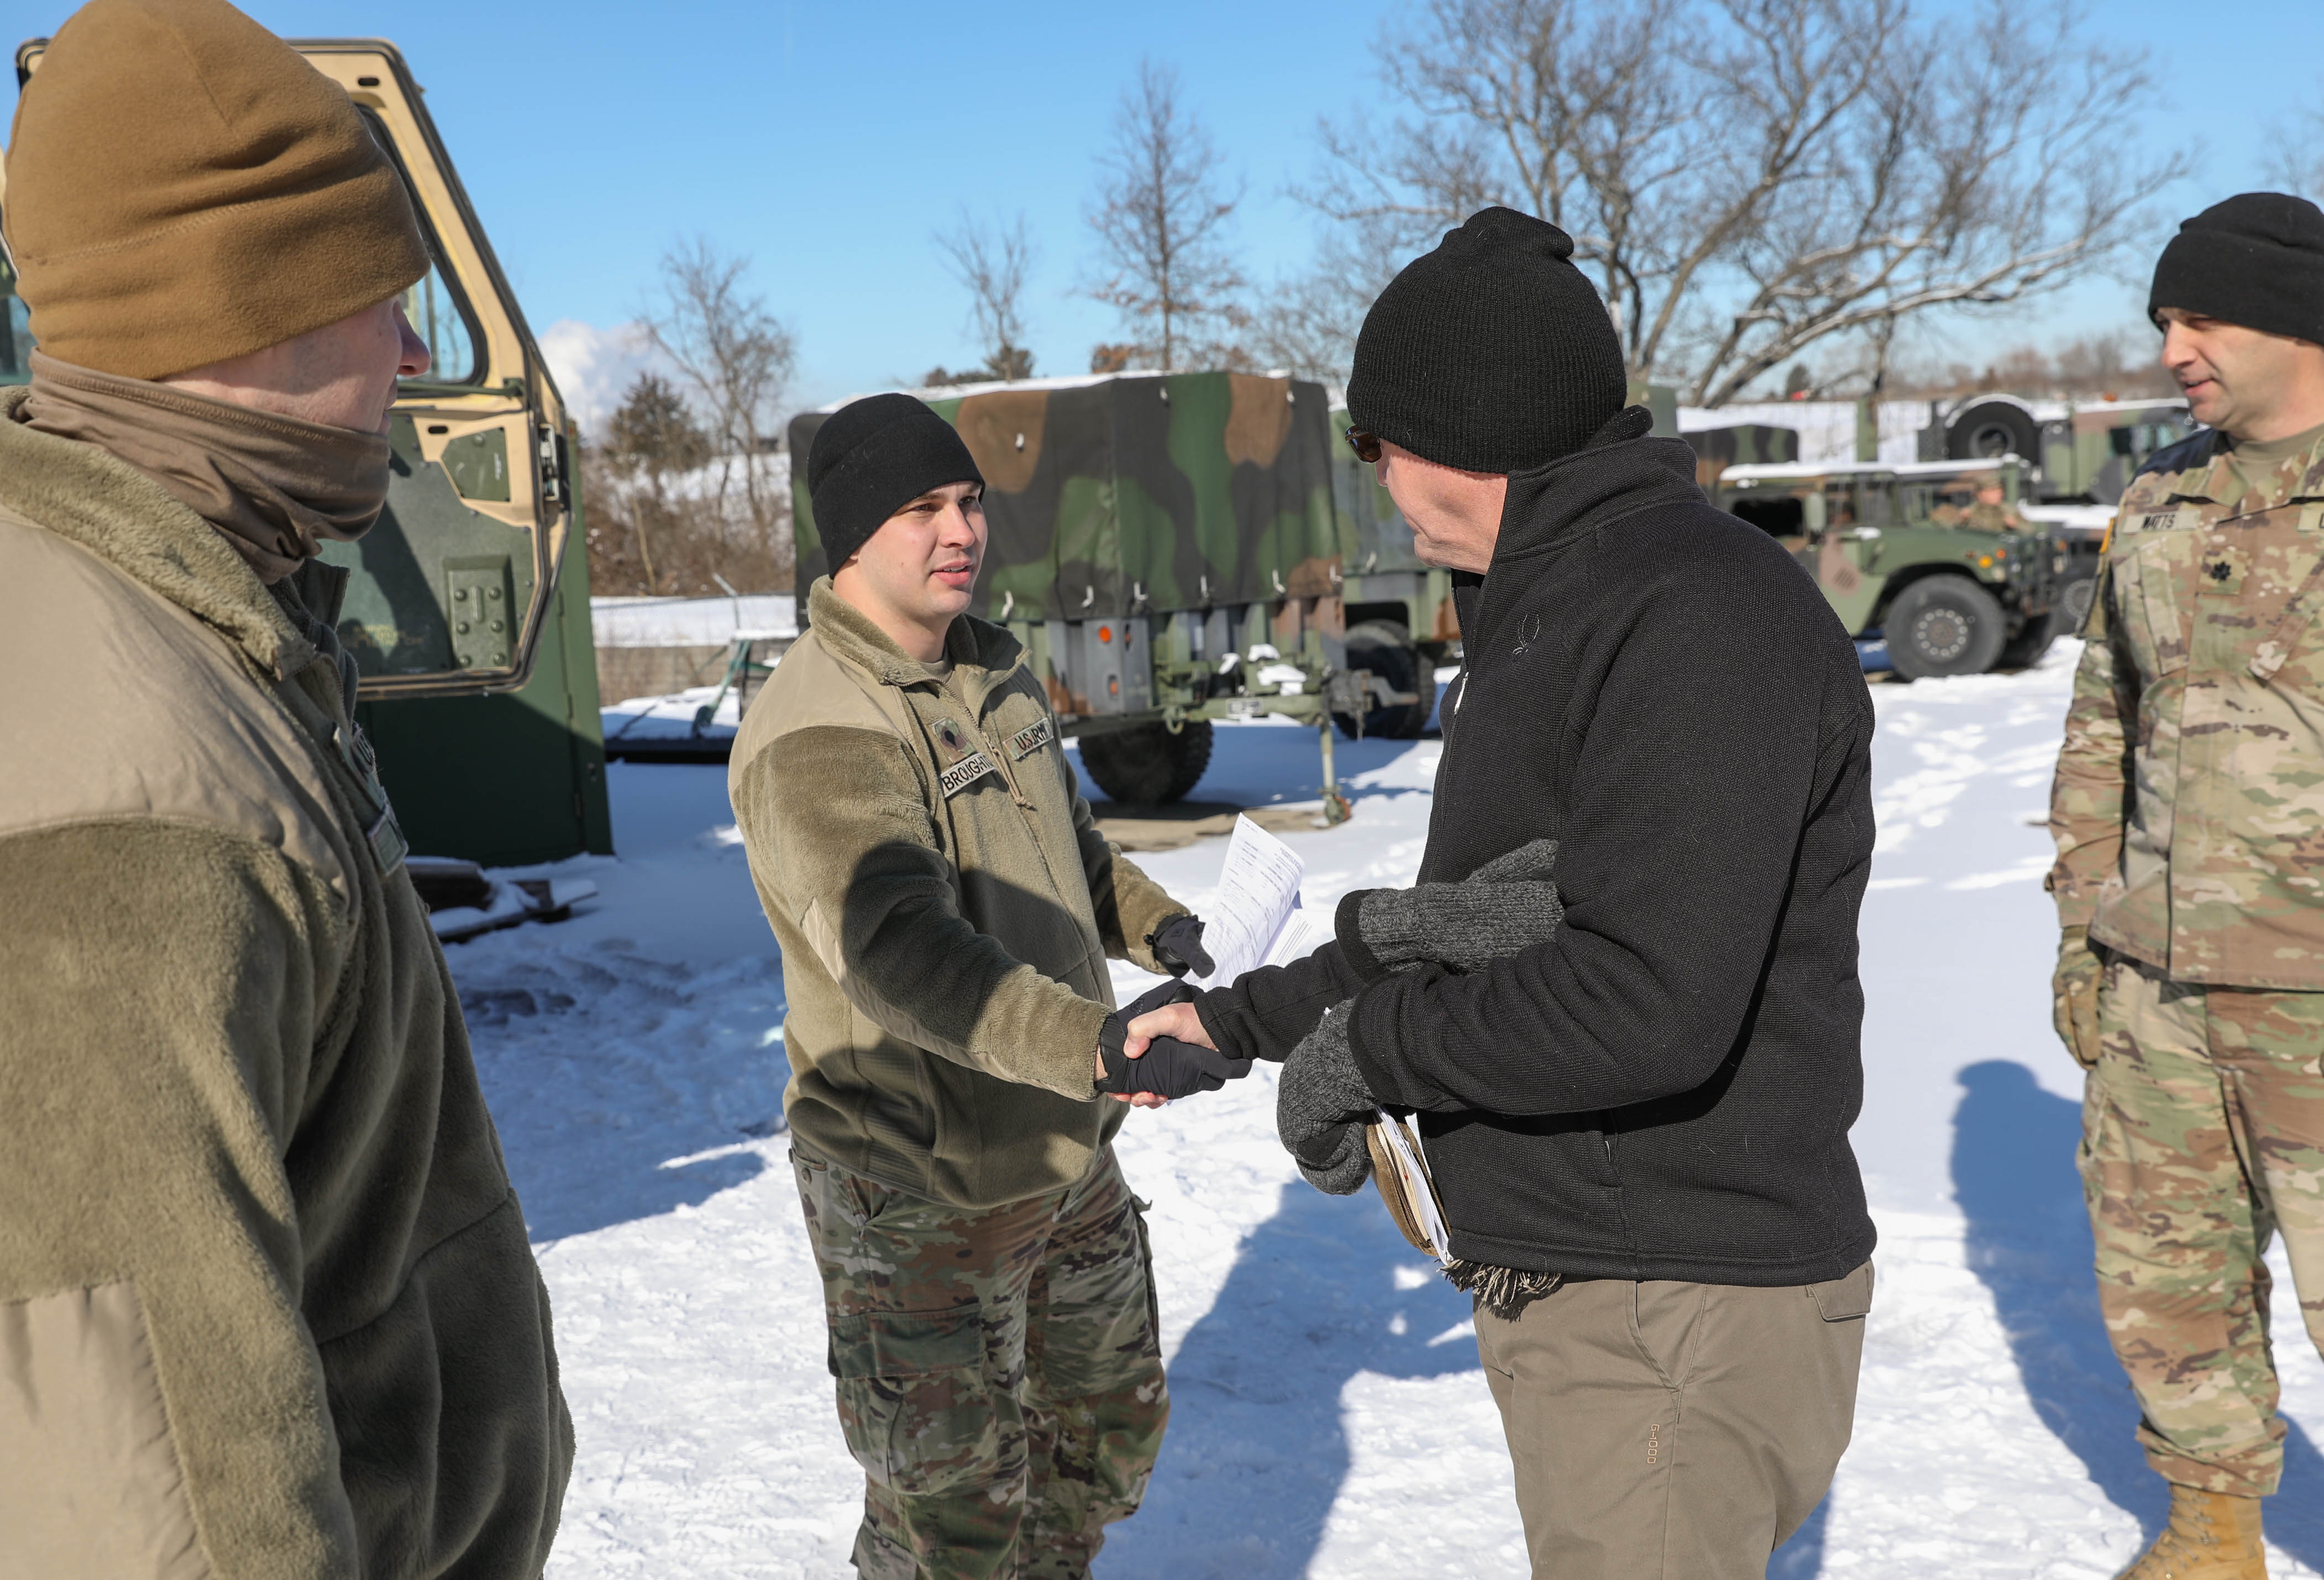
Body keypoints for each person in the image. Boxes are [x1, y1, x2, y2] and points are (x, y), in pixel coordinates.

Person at [1122, 206, 1879, 1579]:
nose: (1374, 477)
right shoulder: (1562, 603)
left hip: (1672, 1296)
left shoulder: (1693, 614)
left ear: (1458, 433)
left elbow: (1643, 999)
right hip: (1610, 1284)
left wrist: (1369, 1050)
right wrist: (1240, 1021)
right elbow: (1477, 919)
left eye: (1376, 442)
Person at [0, 2, 571, 1575]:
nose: (411, 353)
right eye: (383, 295)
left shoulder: (182, 624)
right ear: (248, 304)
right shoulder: (132, 791)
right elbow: (150, 1504)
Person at [728, 392, 1219, 1578]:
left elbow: (1069, 851)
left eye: (969, 501)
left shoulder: (990, 669)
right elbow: (901, 955)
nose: (962, 530)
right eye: (922, 508)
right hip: (919, 1186)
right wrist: (1094, 1043)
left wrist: (1158, 925)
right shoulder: (823, 731)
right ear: (852, 537)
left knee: (1102, 1443)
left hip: (1063, 1147)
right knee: (950, 1522)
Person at [2048, 191, 2324, 1580]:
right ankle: (2213, 1534)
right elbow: (2105, 722)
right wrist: (2082, 935)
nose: (2173, 351)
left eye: (2201, 318)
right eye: (2166, 320)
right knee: (2169, 1285)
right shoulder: (2160, 496)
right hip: (2157, 985)